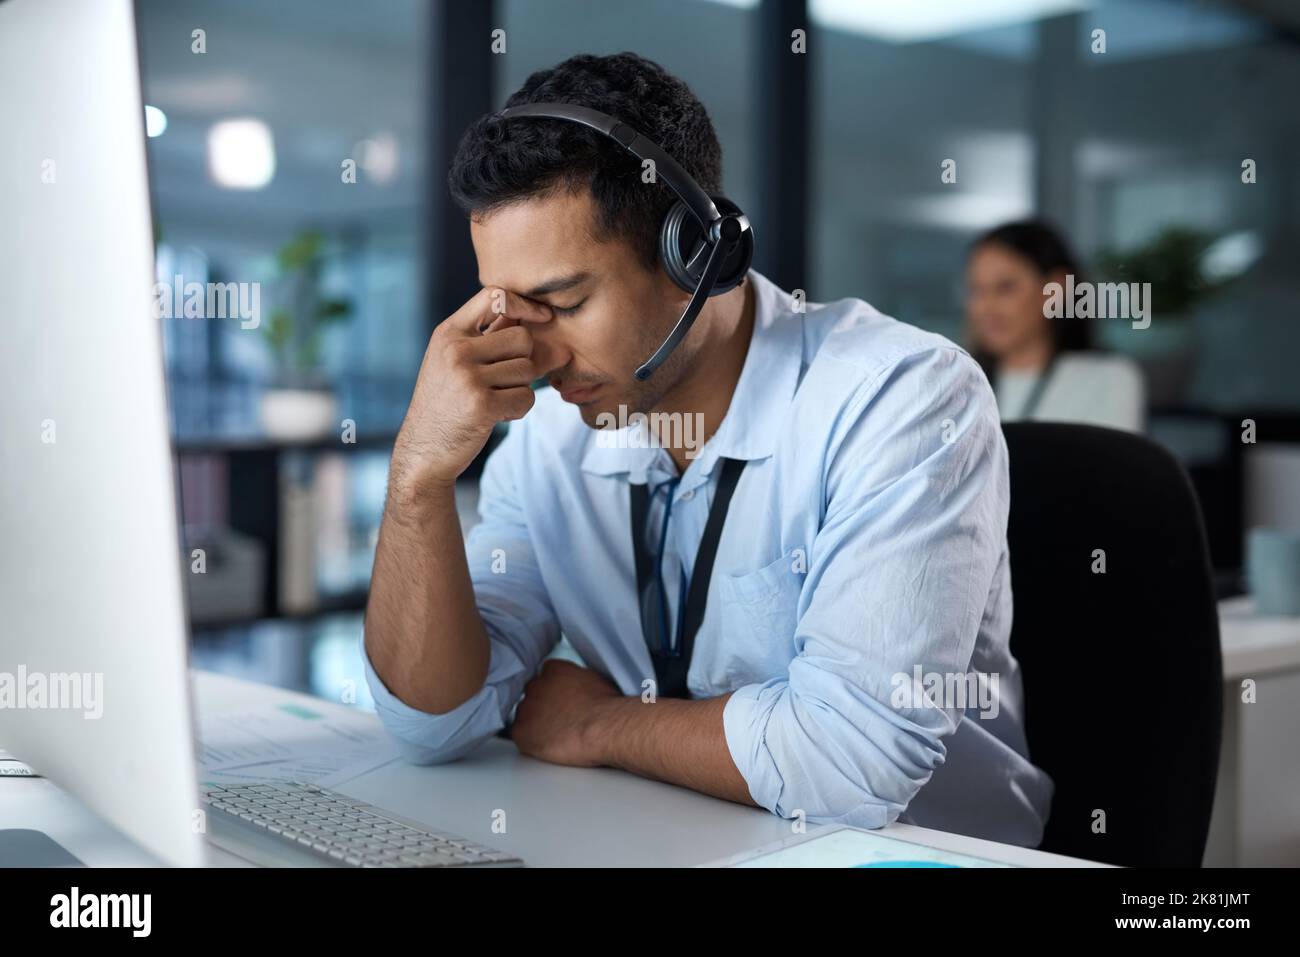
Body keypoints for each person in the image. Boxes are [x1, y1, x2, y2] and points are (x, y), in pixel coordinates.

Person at [362, 52, 1052, 846]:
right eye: (511, 309)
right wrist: (416, 478)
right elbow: (434, 722)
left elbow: (851, 761)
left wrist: (597, 725)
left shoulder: (900, 397)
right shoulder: (550, 434)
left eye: (566, 302)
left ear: (697, 253)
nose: (536, 356)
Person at [966, 219, 1145, 432]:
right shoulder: (959, 384)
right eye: (976, 290)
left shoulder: (1109, 379)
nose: (985, 307)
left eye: (1005, 288)